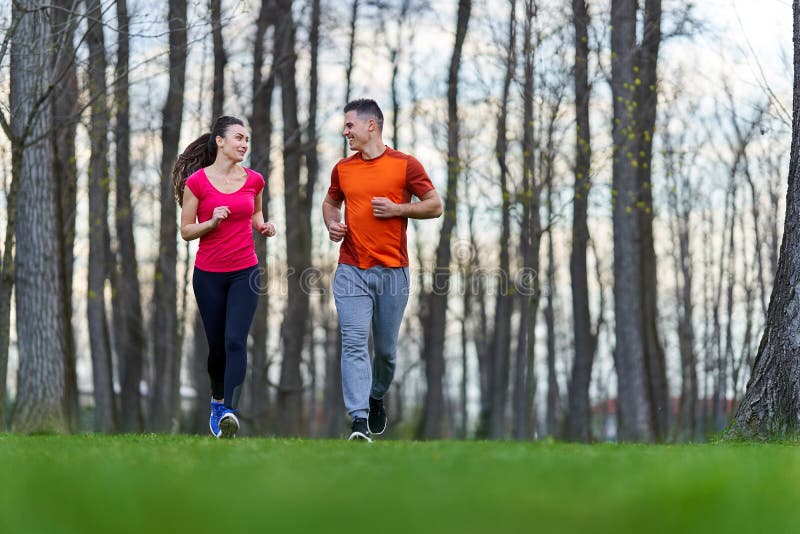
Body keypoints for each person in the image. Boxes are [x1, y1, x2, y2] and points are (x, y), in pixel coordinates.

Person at [322, 99, 443, 441]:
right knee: (354, 342)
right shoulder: (343, 169)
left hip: (393, 273)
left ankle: (376, 396)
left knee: (386, 353)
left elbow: (435, 205)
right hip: (352, 270)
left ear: (370, 125)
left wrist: (397, 209)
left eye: (350, 126)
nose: (345, 132)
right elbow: (330, 202)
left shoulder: (405, 165)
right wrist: (332, 224)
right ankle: (359, 421)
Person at [174, 115, 276, 438]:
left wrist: (262, 226)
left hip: (245, 271)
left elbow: (255, 212)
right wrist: (211, 223)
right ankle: (217, 403)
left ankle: (229, 411)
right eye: (238, 138)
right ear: (220, 141)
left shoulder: (255, 180)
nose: (244, 144)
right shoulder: (197, 183)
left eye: (247, 139)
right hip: (208, 275)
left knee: (235, 340)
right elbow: (186, 230)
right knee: (217, 346)